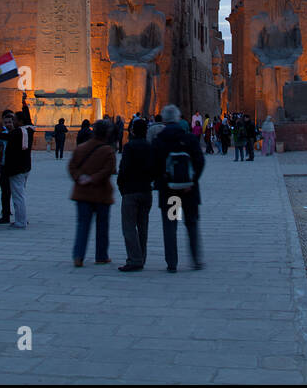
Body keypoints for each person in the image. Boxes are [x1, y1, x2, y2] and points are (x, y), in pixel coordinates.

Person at [151, 104, 205, 272]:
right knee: (191, 224)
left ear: (164, 120)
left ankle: (172, 263)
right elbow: (200, 161)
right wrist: (192, 181)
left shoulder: (160, 140)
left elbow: (155, 167)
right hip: (188, 191)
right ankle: (196, 260)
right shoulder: (189, 139)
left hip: (170, 193)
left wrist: (163, 182)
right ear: (178, 118)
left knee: (171, 225)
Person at [68, 118, 117, 266]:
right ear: (107, 134)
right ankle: (101, 255)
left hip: (82, 192)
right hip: (101, 193)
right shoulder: (108, 151)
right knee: (102, 226)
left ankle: (78, 256)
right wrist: (93, 179)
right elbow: (109, 170)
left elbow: (72, 167)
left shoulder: (80, 148)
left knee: (82, 225)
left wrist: (80, 177)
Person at [116, 117, 155, 271]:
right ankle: (141, 257)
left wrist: (121, 186)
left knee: (129, 227)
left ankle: (134, 259)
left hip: (131, 191)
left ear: (132, 130)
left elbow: (123, 169)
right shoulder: (150, 147)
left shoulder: (130, 147)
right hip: (146, 191)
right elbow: (154, 169)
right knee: (143, 226)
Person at [0, 111, 33, 229]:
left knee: (18, 196)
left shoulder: (19, 132)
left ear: (20, 121)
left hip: (17, 169)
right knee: (19, 195)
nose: (13, 122)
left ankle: (20, 222)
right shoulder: (28, 130)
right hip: (24, 167)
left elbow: (6, 136)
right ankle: (22, 219)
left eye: (15, 120)